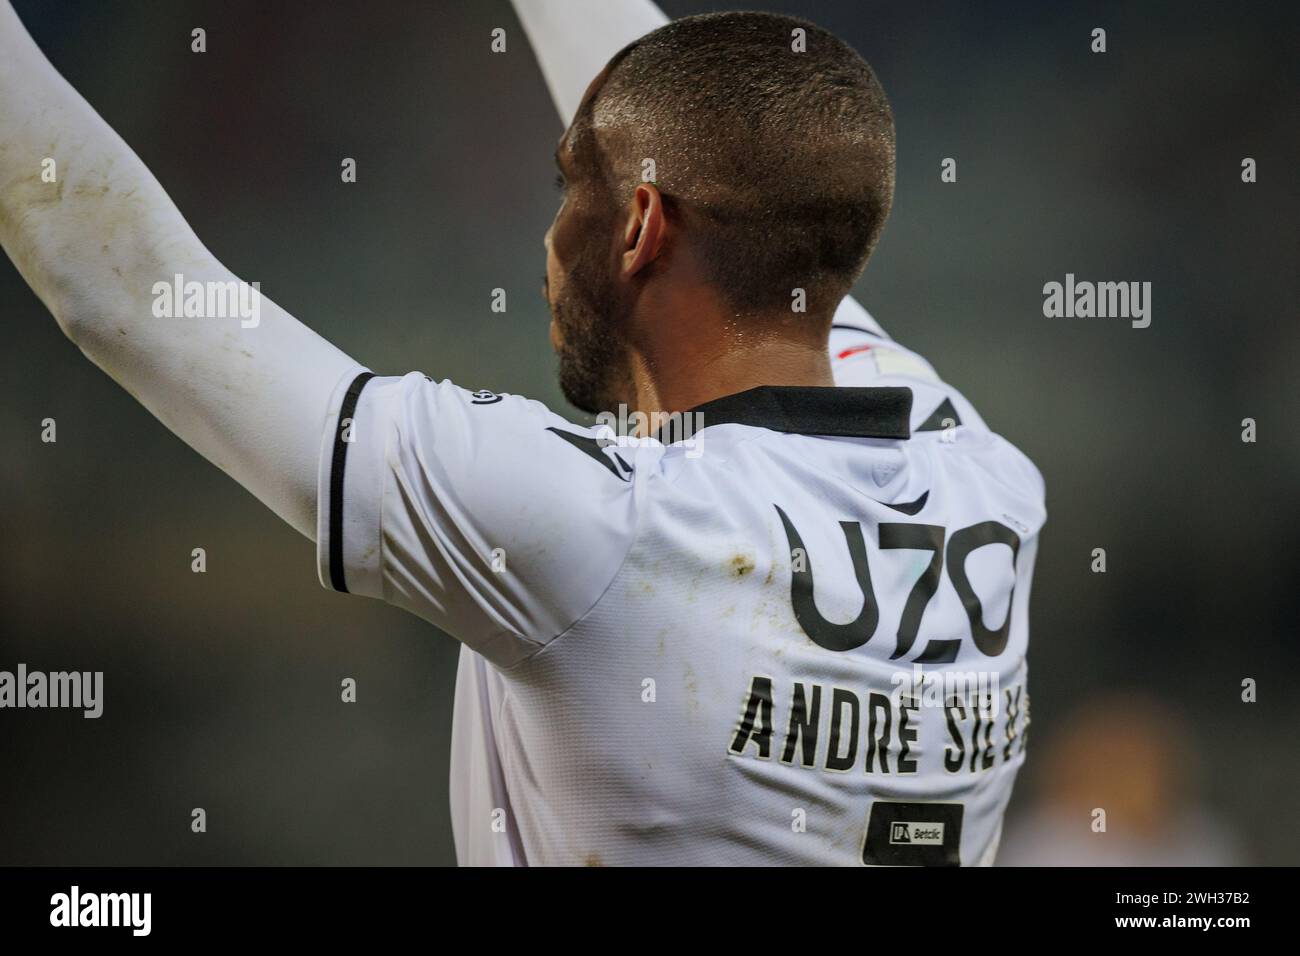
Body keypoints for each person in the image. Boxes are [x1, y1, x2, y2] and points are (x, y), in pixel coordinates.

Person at [0, 0, 1045, 865]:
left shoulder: (604, 533)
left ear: (637, 225)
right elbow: (744, 188)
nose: (548, 243)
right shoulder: (983, 471)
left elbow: (129, 292)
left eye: (566, 188)